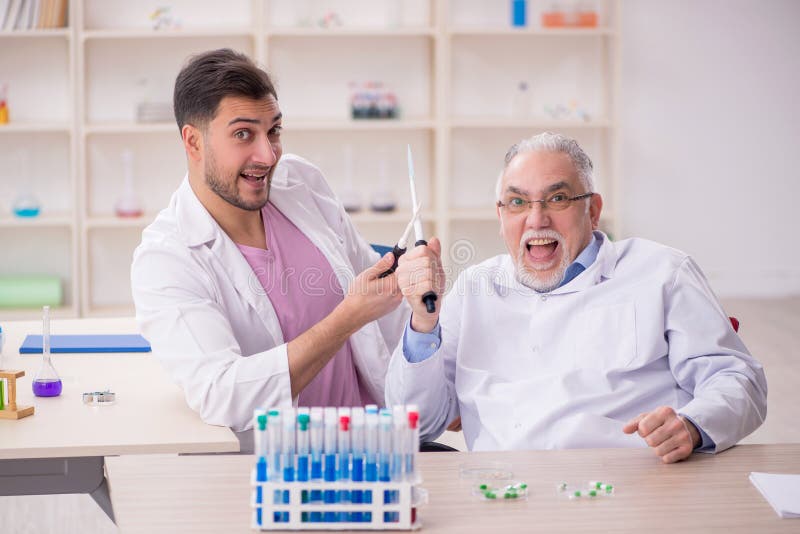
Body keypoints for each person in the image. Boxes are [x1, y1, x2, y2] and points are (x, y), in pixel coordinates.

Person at [386, 132, 767, 463]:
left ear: (593, 210)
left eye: (557, 198)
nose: (536, 219)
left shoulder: (662, 271)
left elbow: (738, 379)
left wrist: (693, 425)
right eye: (518, 202)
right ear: (501, 216)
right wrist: (423, 322)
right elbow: (417, 422)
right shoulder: (475, 289)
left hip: (634, 493)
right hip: (504, 495)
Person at [131, 49, 409, 445]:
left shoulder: (301, 181)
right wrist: (347, 318)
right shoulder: (166, 259)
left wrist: (418, 312)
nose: (268, 155)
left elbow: (380, 302)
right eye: (244, 134)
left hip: (372, 442)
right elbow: (223, 392)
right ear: (193, 142)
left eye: (273, 130)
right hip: (282, 466)